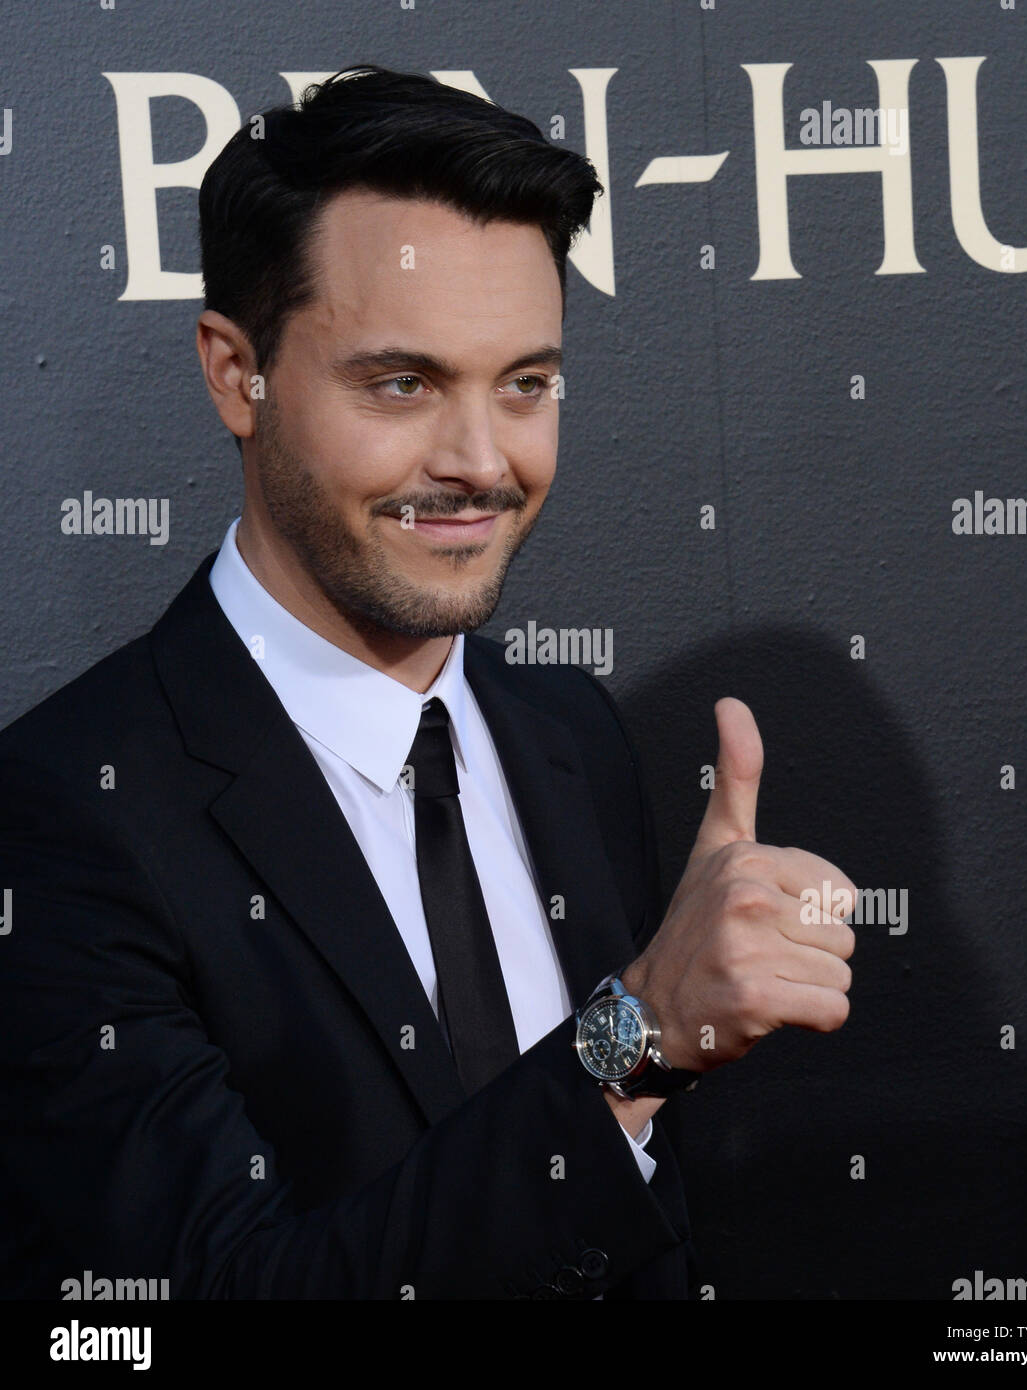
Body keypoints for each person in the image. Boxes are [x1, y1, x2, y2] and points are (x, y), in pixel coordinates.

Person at [0, 64, 856, 1300]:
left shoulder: (567, 734)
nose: (478, 462)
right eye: (401, 384)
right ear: (235, 374)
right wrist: (633, 1040)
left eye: (524, 384)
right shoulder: (61, 820)